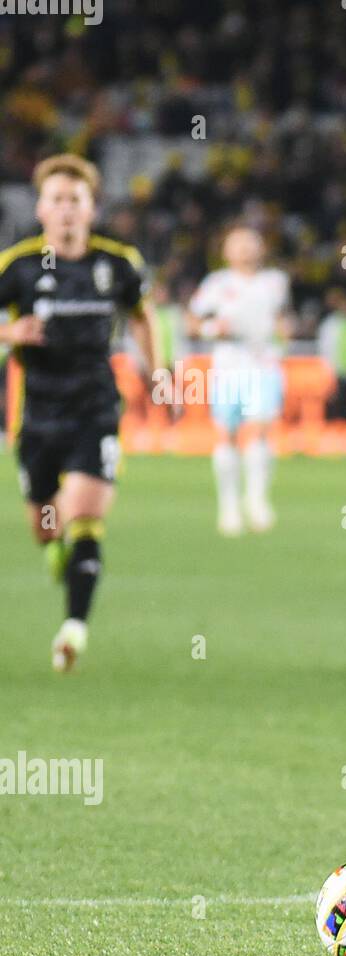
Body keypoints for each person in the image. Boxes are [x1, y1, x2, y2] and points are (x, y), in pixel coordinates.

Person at [0, 154, 157, 671]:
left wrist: (158, 371)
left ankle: (73, 628)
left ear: (91, 208)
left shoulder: (116, 263)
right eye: (57, 200)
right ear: (41, 208)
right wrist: (10, 332)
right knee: (47, 525)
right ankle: (56, 553)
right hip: (36, 416)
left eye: (76, 200)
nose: (66, 209)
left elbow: (141, 316)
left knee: (85, 517)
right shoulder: (18, 265)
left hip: (95, 408)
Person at [186, 224, 293, 536]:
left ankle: (256, 500)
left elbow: (282, 319)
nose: (245, 248)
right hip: (229, 368)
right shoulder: (217, 284)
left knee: (260, 430)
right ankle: (229, 506)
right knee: (227, 435)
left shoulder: (275, 282)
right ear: (226, 251)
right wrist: (211, 330)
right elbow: (192, 321)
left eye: (251, 242)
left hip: (263, 365)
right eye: (238, 243)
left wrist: (284, 329)